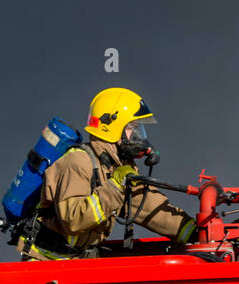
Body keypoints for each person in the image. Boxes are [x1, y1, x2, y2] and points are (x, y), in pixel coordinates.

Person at [18, 87, 197, 260]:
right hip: (47, 263)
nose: (138, 136)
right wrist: (114, 188)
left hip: (78, 261)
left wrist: (194, 233)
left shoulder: (115, 167)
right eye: (132, 128)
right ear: (112, 127)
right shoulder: (78, 163)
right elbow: (73, 220)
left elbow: (147, 207)